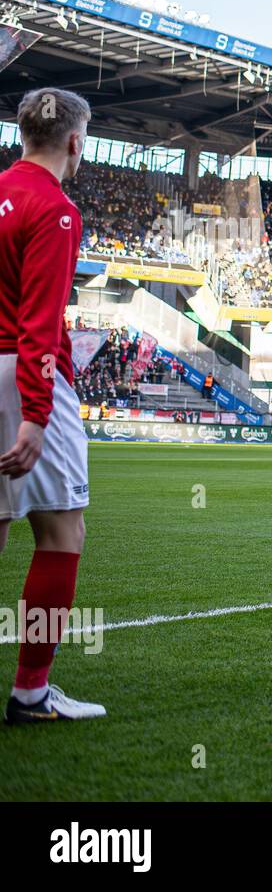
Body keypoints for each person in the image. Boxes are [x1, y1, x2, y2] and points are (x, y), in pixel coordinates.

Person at [0, 87, 104, 722]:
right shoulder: (56, 210)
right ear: (75, 142)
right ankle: (32, 692)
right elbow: (38, 323)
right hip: (23, 371)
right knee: (62, 529)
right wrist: (37, 413)